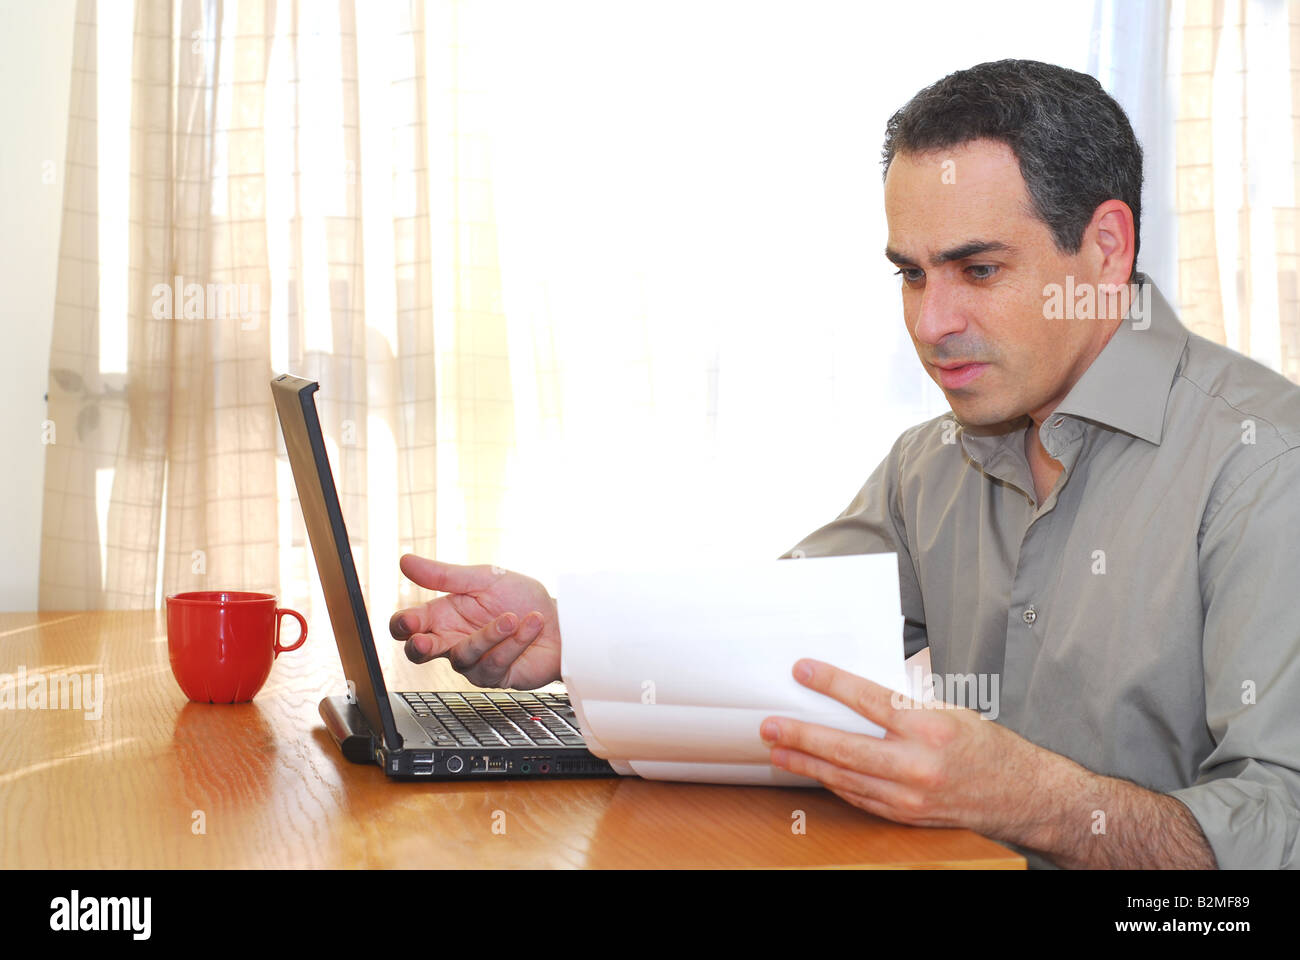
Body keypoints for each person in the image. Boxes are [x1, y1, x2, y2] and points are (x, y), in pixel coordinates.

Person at [388, 60, 1300, 869]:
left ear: (1104, 249)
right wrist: (567, 634)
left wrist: (1028, 799)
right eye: (912, 274)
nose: (931, 324)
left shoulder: (1265, 465)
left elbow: (1284, 826)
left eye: (979, 271)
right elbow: (770, 640)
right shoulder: (929, 464)